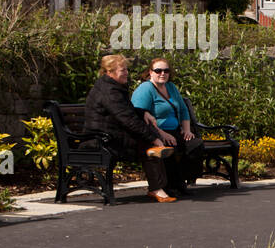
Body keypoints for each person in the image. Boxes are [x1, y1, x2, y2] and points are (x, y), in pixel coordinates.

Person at [84, 54, 179, 202]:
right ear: (110, 72)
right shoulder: (109, 91)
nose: (127, 73)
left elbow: (127, 112)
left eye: (126, 69)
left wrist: (143, 113)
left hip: (110, 134)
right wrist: (154, 138)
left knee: (149, 141)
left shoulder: (113, 87)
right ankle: (158, 189)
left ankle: (163, 186)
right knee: (147, 144)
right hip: (101, 140)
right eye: (123, 70)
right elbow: (127, 119)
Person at [131, 58, 201, 196]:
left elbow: (183, 110)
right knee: (170, 148)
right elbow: (140, 116)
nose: (162, 73)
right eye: (158, 70)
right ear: (150, 72)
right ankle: (171, 184)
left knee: (195, 144)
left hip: (176, 131)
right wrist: (162, 134)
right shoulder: (145, 89)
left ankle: (182, 180)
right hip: (156, 132)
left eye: (166, 71)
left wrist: (187, 130)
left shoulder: (171, 87)